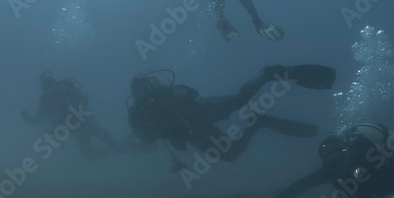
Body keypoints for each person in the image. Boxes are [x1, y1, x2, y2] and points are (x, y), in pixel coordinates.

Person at [127, 64, 336, 172]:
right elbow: (149, 141)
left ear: (152, 84)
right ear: (134, 95)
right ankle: (257, 123)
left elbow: (193, 94)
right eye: (138, 91)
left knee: (239, 99)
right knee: (230, 155)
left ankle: (268, 75)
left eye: (145, 87)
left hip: (202, 111)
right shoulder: (137, 115)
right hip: (195, 133)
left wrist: (172, 97)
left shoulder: (165, 91)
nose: (144, 94)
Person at [21, 72, 120, 160]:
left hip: (74, 129)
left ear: (42, 85)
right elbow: (84, 98)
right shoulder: (66, 87)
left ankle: (112, 148)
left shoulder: (45, 98)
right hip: (86, 121)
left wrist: (26, 117)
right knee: (108, 141)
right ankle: (120, 146)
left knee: (88, 155)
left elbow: (36, 119)